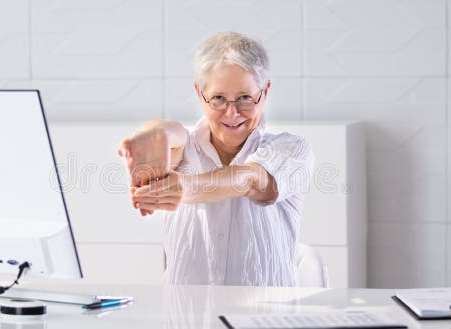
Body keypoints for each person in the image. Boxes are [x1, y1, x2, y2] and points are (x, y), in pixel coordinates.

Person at [117, 32, 314, 286]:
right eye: (218, 98)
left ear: (265, 92)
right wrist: (156, 132)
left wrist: (187, 187)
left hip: (265, 320)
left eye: (245, 98)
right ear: (200, 94)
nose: (232, 113)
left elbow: (250, 180)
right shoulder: (182, 148)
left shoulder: (291, 149)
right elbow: (167, 137)